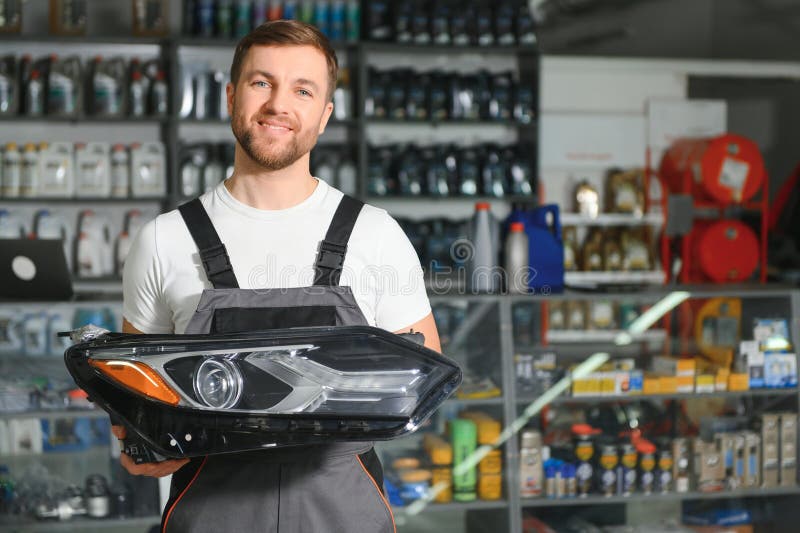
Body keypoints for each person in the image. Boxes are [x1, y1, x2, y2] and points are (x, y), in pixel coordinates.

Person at [114, 19, 440, 533]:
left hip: (342, 509)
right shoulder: (163, 239)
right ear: (231, 96)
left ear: (325, 114)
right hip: (213, 510)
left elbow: (421, 384)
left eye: (302, 90)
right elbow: (133, 391)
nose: (278, 105)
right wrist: (141, 438)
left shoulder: (376, 234)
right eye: (261, 82)